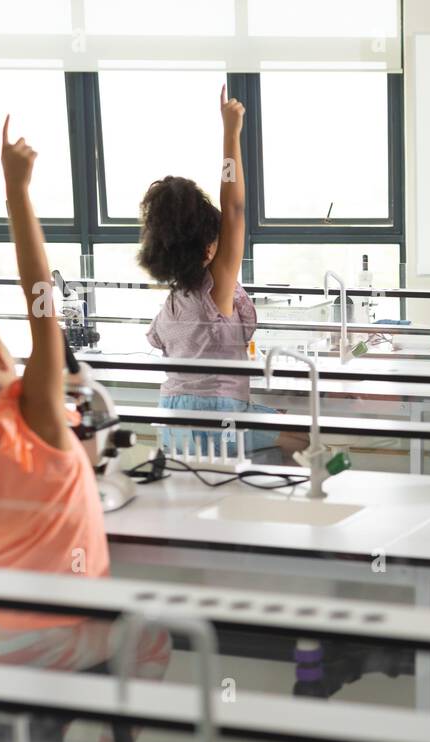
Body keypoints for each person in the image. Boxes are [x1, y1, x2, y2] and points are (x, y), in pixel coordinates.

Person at [0, 118, 168, 742]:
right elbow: (42, 303)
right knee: (155, 637)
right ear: (0, 352)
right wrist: (17, 191)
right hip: (60, 639)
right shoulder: (36, 412)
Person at [140, 86, 304, 462]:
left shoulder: (172, 302)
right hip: (215, 421)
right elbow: (234, 209)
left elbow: (166, 348)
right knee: (304, 436)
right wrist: (231, 134)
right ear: (206, 245)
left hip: (173, 421)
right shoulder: (216, 290)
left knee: (280, 423)